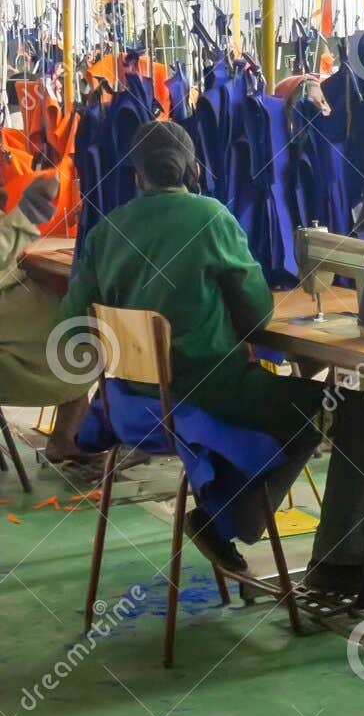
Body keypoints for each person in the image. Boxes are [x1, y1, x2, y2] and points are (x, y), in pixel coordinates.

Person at [60, 119, 325, 571]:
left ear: (136, 176)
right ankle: (225, 519)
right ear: (191, 171)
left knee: (287, 404)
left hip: (127, 408)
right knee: (326, 407)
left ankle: (224, 510)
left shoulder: (108, 231)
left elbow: (73, 324)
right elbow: (257, 315)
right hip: (203, 397)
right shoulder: (212, 217)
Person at [0, 173, 92, 464]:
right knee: (85, 347)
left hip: (21, 339)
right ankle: (68, 440)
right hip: (14, 361)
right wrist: (24, 217)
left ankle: (70, 438)